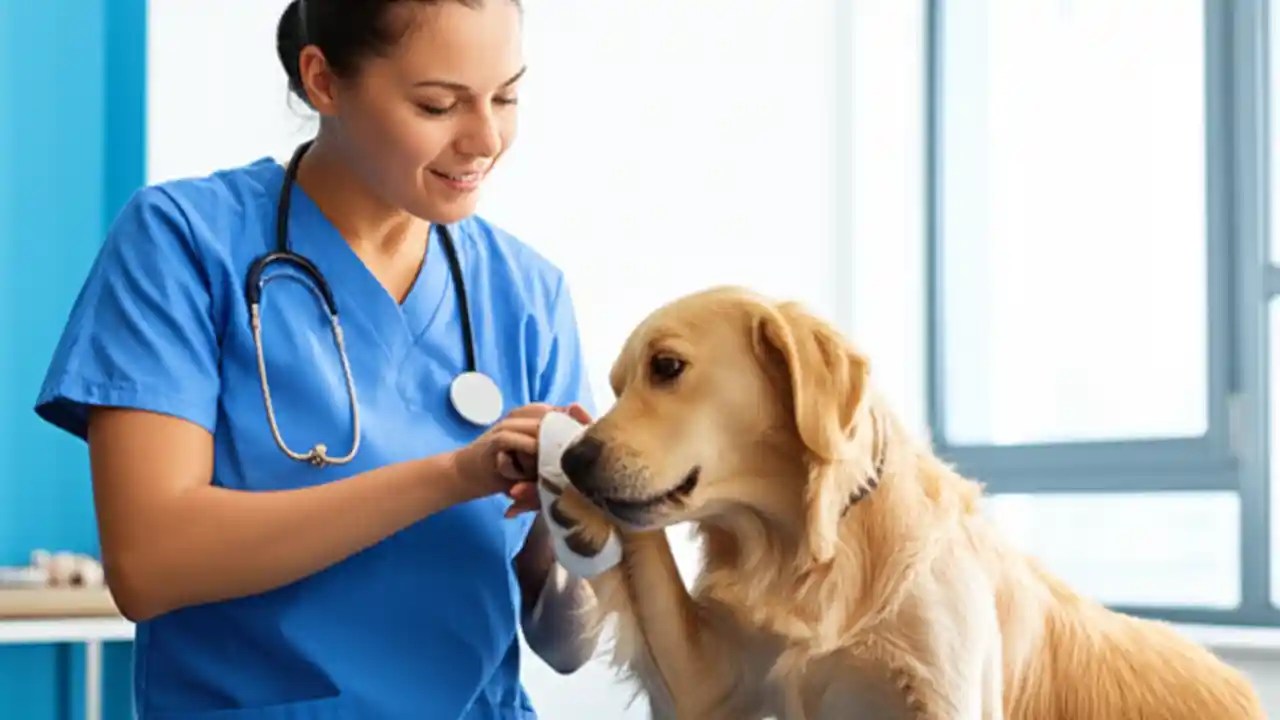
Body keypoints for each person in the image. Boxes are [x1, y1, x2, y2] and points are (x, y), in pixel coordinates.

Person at [32, 0, 604, 717]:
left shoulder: (524, 293)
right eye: (437, 104)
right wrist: (452, 476)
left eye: (507, 95)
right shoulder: (183, 243)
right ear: (323, 81)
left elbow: (569, 645)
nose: (485, 137)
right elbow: (150, 565)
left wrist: (572, 528)